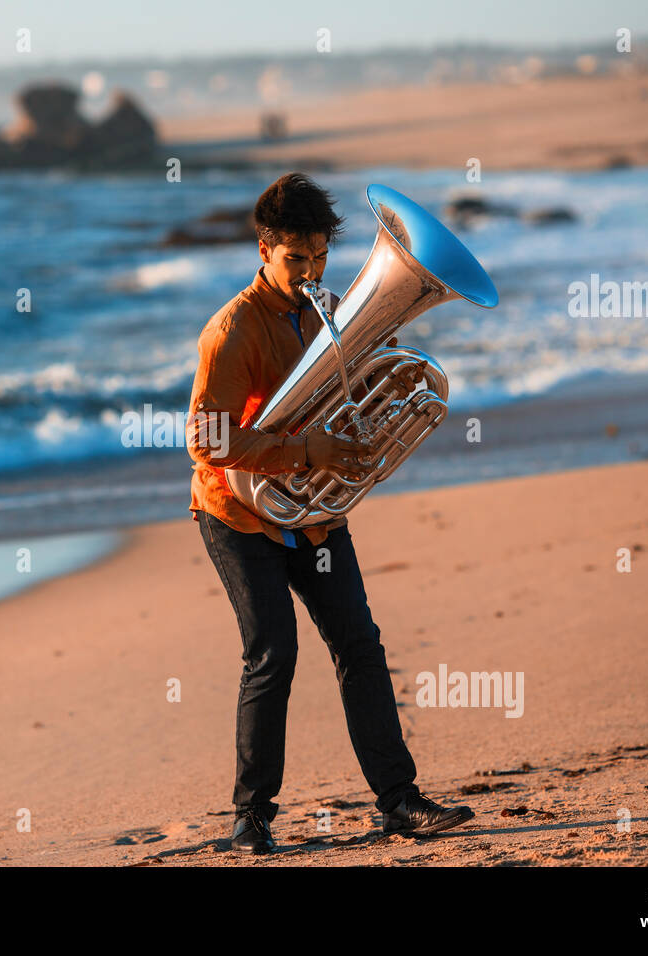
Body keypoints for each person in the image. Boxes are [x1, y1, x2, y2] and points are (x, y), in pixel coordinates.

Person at [185, 172, 475, 853]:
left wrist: (362, 439)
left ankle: (400, 802)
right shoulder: (232, 330)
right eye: (296, 259)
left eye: (319, 257)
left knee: (360, 645)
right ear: (264, 250)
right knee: (272, 652)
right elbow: (206, 439)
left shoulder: (330, 311)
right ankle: (251, 816)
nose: (311, 273)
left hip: (311, 515)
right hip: (239, 512)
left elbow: (356, 400)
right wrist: (307, 446)